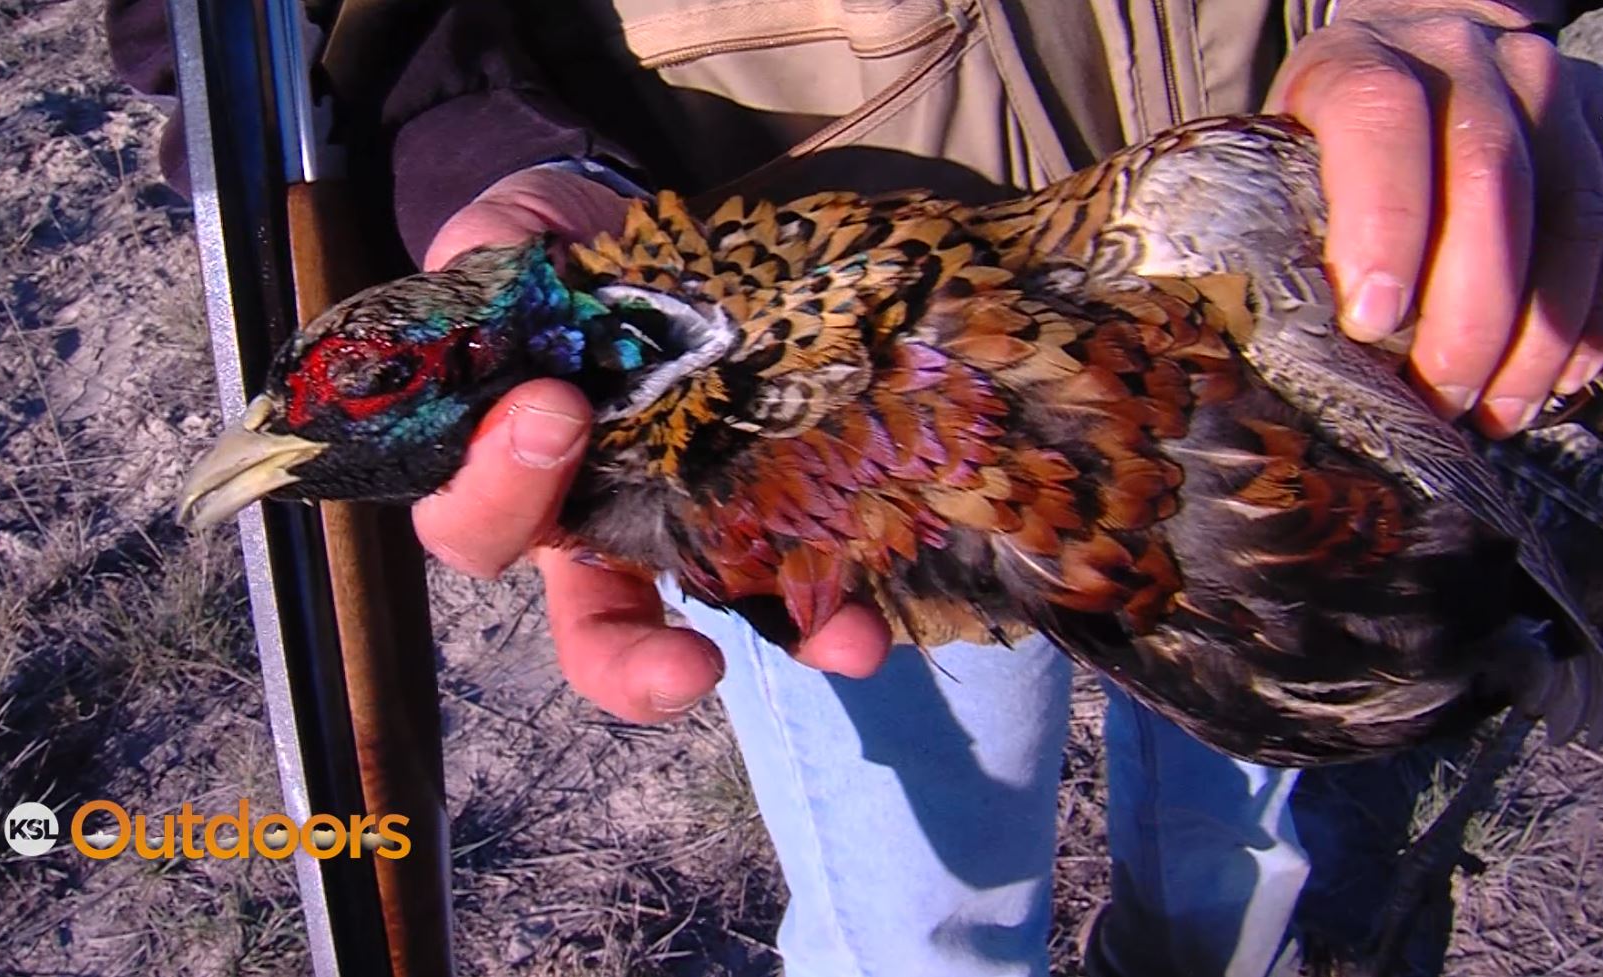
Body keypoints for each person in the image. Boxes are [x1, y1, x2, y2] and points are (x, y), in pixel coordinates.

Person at [111, 1, 1603, 974]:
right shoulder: (706, 444)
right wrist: (482, 152)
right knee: (920, 908)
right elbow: (329, 28)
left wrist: (1431, 17)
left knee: (1254, 828)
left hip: (1288, 199)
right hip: (817, 410)